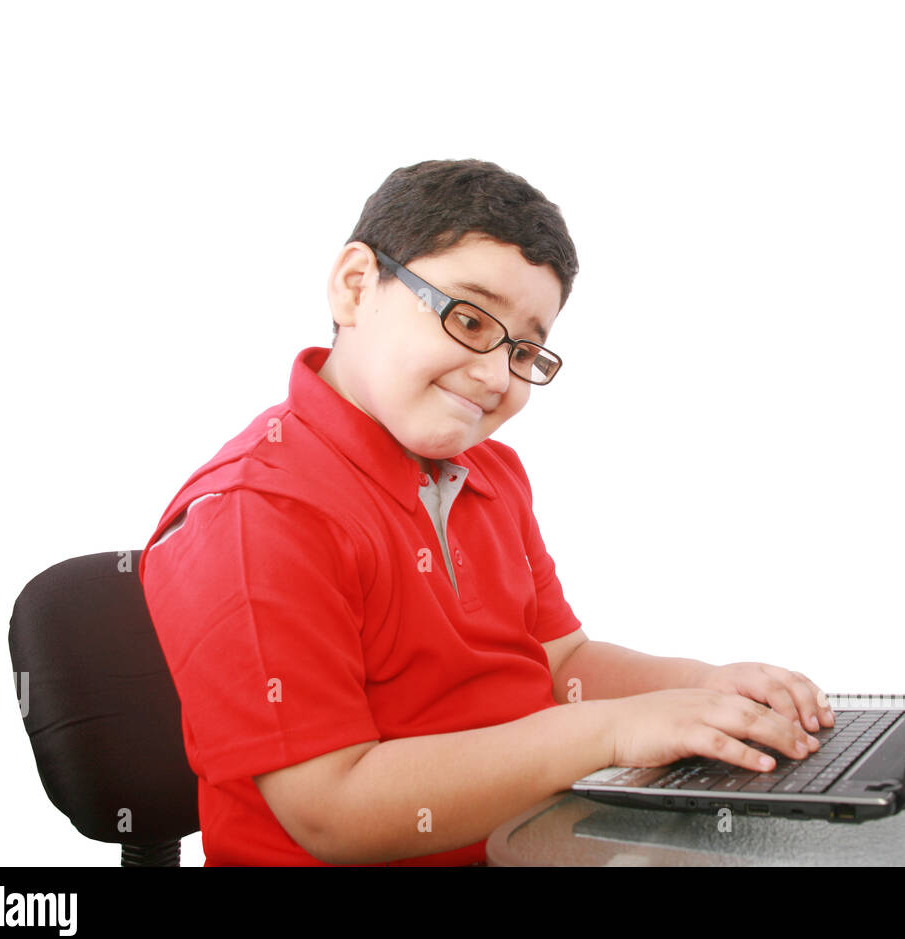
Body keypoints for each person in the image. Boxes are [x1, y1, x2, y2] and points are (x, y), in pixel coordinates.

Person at [139, 158, 836, 866]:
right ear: (356, 287)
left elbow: (563, 662)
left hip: (534, 843)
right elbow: (330, 810)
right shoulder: (254, 515)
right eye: (468, 318)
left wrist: (698, 687)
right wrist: (615, 732)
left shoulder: (490, 473)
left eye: (525, 349)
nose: (496, 374)